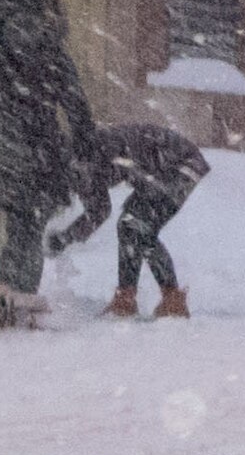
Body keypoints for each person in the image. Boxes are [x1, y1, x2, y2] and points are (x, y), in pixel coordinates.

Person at [0, 0, 100, 330]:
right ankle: (21, 299)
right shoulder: (50, 49)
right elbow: (75, 105)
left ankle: (6, 296)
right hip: (39, 148)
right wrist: (85, 147)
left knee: (17, 225)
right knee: (31, 225)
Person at [67, 119, 210, 318]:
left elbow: (129, 164)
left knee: (135, 225)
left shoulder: (96, 151)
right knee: (131, 226)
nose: (75, 194)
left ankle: (165, 301)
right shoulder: (84, 167)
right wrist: (66, 237)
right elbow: (100, 210)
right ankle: (132, 299)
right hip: (155, 170)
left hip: (180, 164)